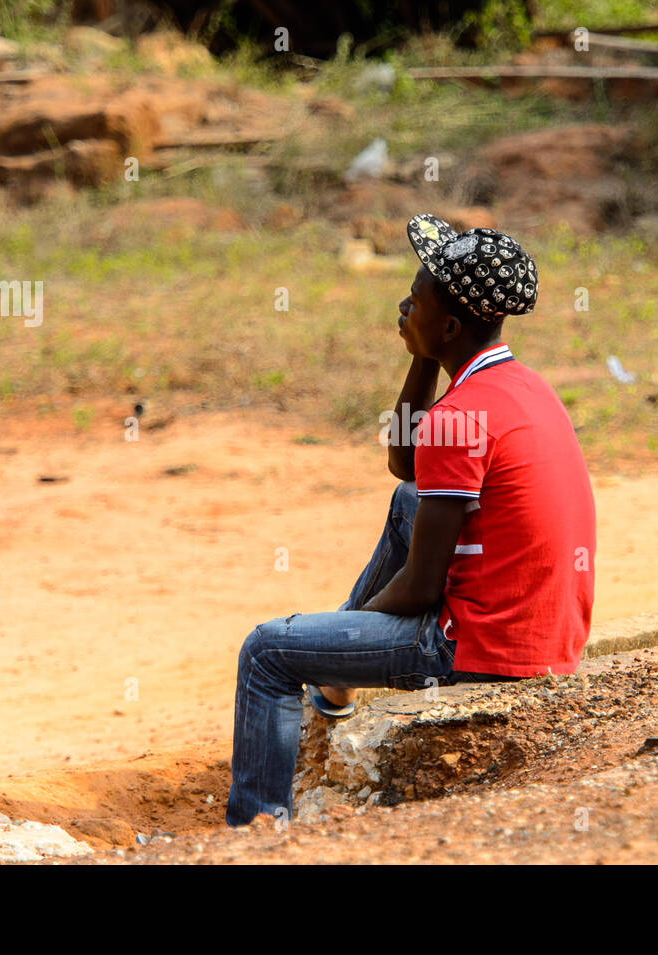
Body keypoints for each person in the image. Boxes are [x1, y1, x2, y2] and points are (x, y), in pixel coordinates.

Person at [225, 213, 597, 827]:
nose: (403, 304)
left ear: (451, 324)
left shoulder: (458, 417)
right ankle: (332, 690)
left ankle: (255, 833)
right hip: (542, 631)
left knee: (266, 653)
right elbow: (406, 464)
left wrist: (339, 635)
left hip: (476, 646)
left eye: (416, 298)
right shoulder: (521, 387)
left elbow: (422, 590)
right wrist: (427, 356)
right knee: (410, 504)